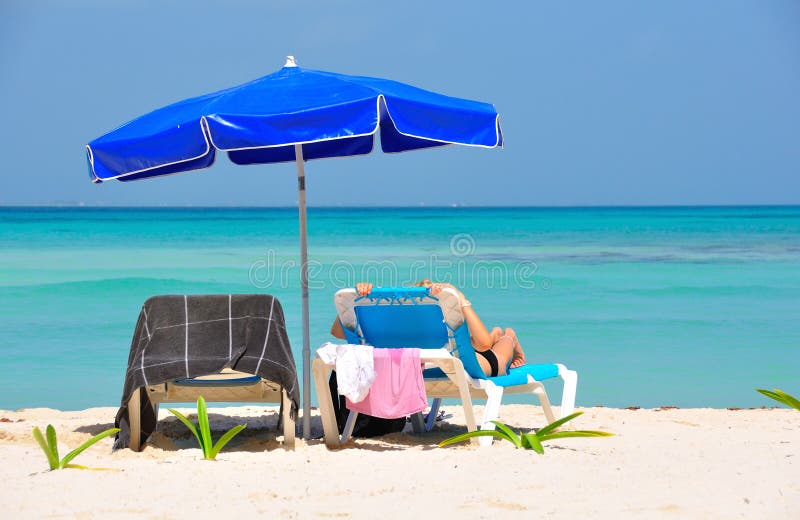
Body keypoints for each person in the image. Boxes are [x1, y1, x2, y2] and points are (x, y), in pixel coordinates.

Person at [330, 281, 527, 377]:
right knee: (483, 341)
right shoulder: (410, 325)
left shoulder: (401, 326)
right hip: (458, 356)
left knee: (503, 346)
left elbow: (338, 332)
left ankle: (508, 335)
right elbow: (482, 343)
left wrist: (356, 302)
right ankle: (498, 334)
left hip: (481, 360)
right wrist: (457, 297)